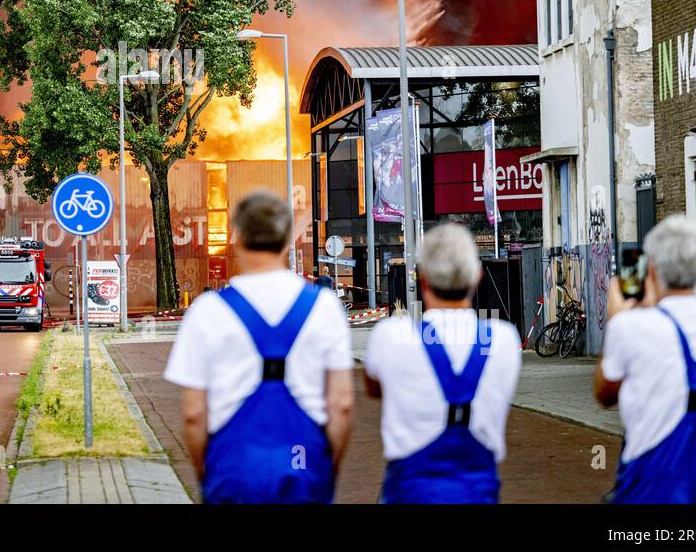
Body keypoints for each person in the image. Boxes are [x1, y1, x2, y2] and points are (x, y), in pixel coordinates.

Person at [164, 190, 353, 503]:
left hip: (235, 467)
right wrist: (325, 469)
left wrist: (206, 473)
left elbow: (194, 414)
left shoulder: (207, 310)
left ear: (236, 239)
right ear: (287, 241)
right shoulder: (324, 307)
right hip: (304, 463)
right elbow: (342, 404)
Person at [363, 223, 521, 503]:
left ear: (423, 281)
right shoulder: (504, 340)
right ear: (477, 277)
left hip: (409, 490)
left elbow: (376, 389)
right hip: (477, 492)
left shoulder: (390, 336)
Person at [594, 214, 696, 503]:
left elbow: (604, 394)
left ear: (651, 271)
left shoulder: (629, 327)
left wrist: (616, 320)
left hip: (649, 489)